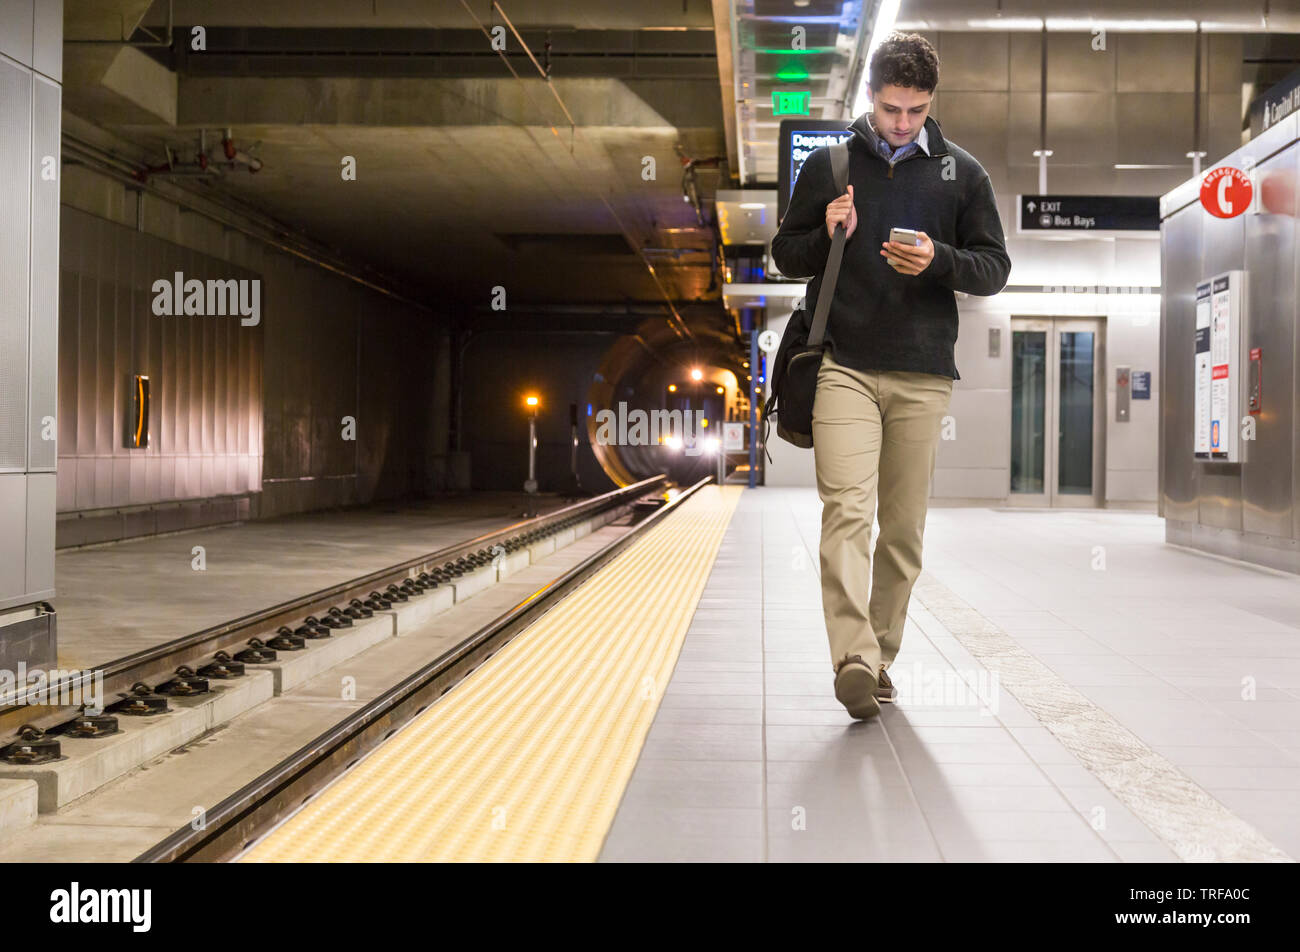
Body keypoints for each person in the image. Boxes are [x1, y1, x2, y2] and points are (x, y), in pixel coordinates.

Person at [771, 32, 1011, 720]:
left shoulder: (962, 175)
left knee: (902, 531)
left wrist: (938, 259)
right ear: (869, 96)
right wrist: (825, 232)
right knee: (847, 511)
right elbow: (786, 254)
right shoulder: (831, 163)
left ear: (931, 102)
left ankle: (878, 654)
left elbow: (994, 268)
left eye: (914, 110)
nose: (901, 123)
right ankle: (851, 657)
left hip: (923, 372)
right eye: (889, 108)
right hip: (843, 363)